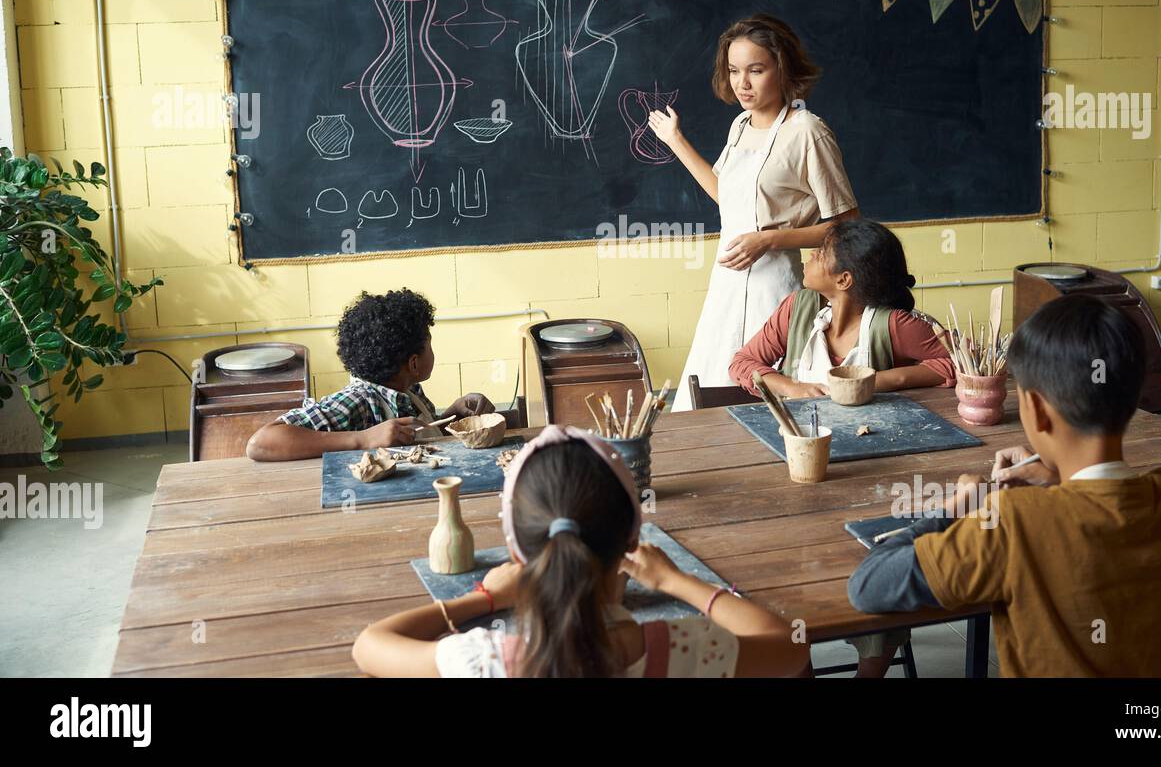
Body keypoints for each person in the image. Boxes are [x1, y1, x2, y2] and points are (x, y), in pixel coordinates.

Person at [846, 294, 1161, 676]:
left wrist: (952, 509)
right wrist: (1060, 482)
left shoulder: (1014, 522)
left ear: (1036, 410)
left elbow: (869, 586)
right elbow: (1112, 533)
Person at [351, 425, 810, 677]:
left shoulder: (487, 663)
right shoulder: (686, 649)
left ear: (516, 551)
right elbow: (791, 644)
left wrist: (484, 599)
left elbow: (369, 645)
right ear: (632, 540)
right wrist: (678, 582)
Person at [648, 14, 859, 411]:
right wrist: (675, 140)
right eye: (733, 71)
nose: (741, 83)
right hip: (726, 285)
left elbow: (848, 225)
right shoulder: (740, 125)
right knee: (711, 398)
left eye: (755, 70)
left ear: (783, 69)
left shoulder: (808, 131)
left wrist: (770, 239)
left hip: (776, 290)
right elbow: (725, 197)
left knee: (778, 401)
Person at [245, 288, 494, 462]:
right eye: (429, 344)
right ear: (414, 363)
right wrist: (362, 439)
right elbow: (260, 443)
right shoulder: (358, 401)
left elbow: (419, 436)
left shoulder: (408, 390)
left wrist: (454, 416)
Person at [730, 218, 955, 400]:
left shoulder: (891, 324)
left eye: (821, 253)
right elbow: (742, 363)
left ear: (843, 280)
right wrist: (792, 388)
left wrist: (882, 380)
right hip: (799, 435)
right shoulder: (797, 307)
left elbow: (962, 361)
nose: (812, 254)